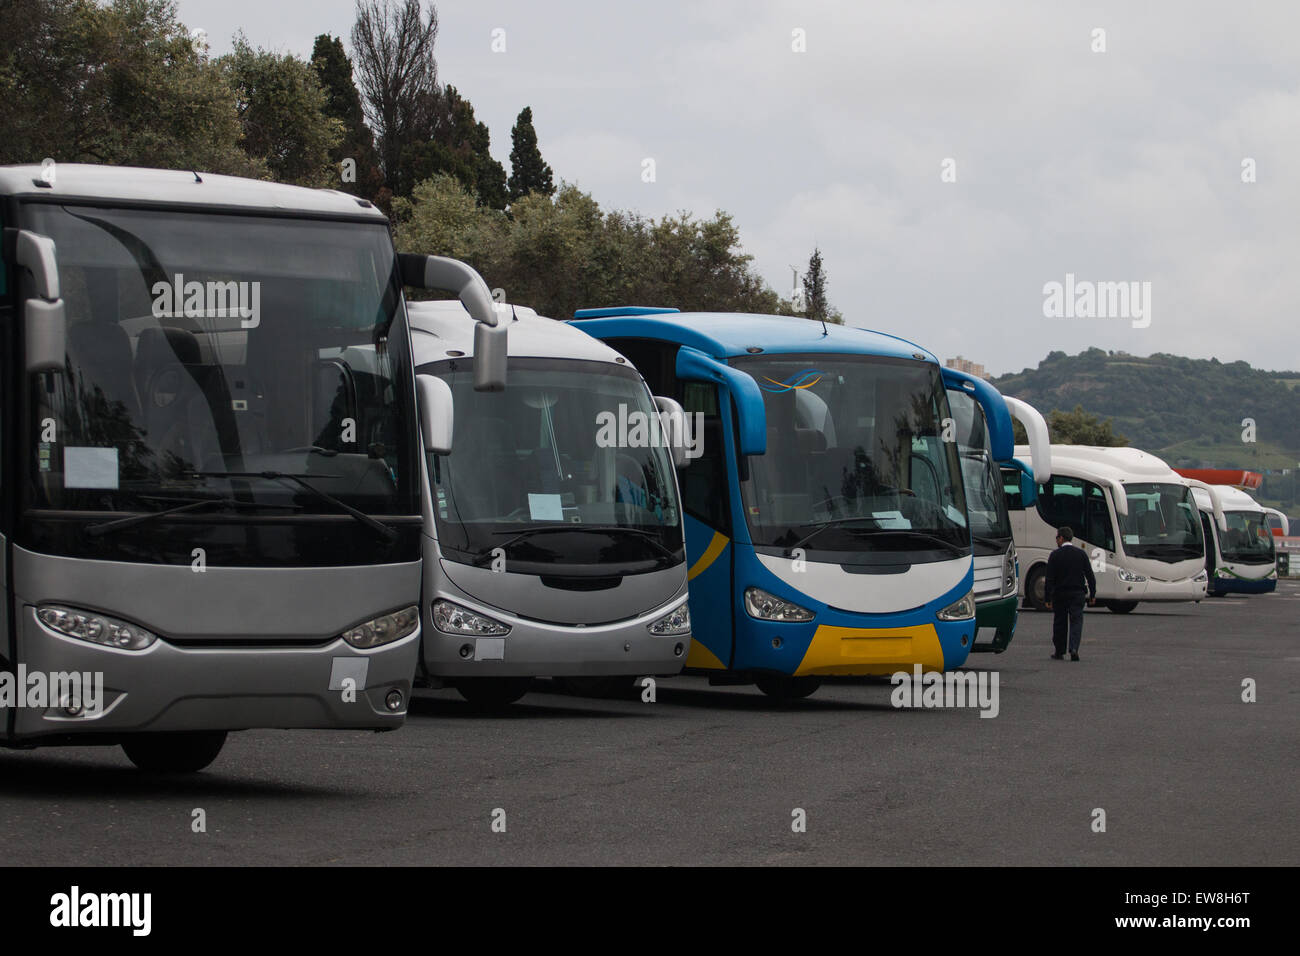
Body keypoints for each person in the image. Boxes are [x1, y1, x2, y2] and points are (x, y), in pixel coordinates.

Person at [1044, 526, 1097, 661]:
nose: (1056, 540)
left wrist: (1047, 598)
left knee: (1060, 622)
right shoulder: (1081, 554)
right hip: (1077, 593)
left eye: (1057, 538)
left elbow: (1049, 578)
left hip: (1060, 594)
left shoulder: (1055, 555)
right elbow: (1090, 576)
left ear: (1061, 538)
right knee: (1076, 621)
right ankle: (1074, 648)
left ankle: (1059, 651)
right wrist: (1092, 594)